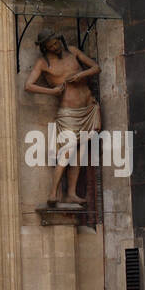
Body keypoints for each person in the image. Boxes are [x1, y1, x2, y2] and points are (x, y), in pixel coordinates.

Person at [25, 30, 101, 205]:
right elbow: (28, 85)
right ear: (45, 47)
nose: (55, 46)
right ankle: (53, 193)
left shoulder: (73, 52)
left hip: (87, 108)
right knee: (68, 149)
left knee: (80, 151)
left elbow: (96, 67)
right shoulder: (43, 63)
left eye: (57, 42)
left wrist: (81, 75)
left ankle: (71, 193)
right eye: (51, 45)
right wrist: (51, 91)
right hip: (68, 112)